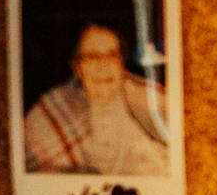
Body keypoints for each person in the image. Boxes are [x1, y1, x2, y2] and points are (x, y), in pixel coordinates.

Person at [22, 18, 170, 175]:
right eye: (92, 56)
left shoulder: (147, 100)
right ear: (77, 68)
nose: (103, 65)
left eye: (112, 55)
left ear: (122, 64)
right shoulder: (56, 107)